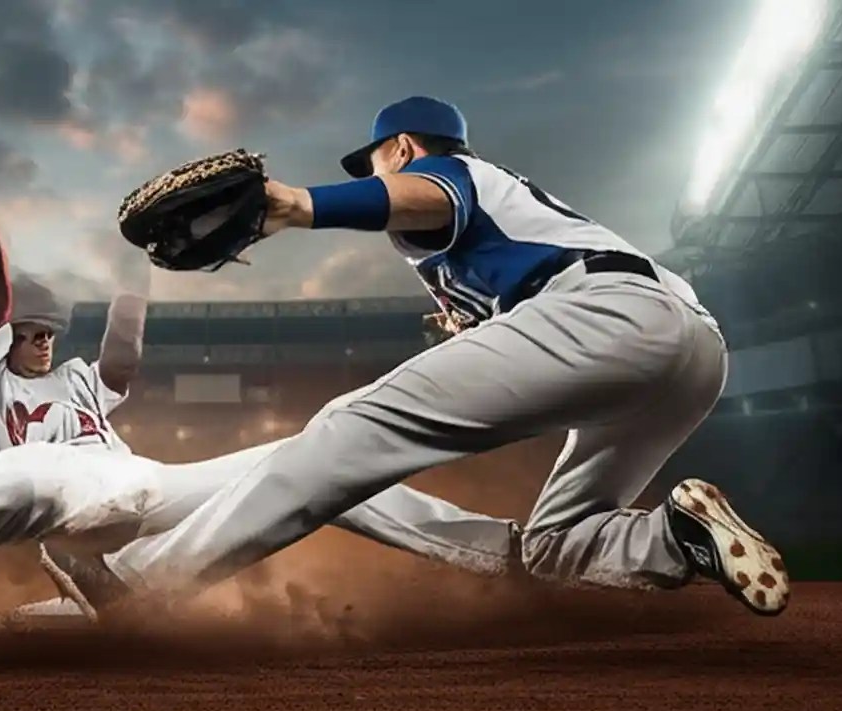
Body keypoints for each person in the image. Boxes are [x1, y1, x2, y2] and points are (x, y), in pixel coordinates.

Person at [0, 123, 526, 632]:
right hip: (43, 495)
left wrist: (141, 275)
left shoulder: (78, 383)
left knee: (328, 454)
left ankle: (513, 561)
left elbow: (123, 357)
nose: (37, 338)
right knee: (12, 476)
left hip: (148, 492)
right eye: (27, 328)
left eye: (48, 330)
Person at [51, 96, 790, 619]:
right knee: (555, 546)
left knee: (347, 428)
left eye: (376, 158)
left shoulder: (461, 175)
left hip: (609, 317)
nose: (376, 168)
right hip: (690, 352)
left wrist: (298, 204)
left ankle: (147, 583)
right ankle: (677, 536)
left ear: (401, 147)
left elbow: (423, 196)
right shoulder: (493, 231)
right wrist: (474, 323)